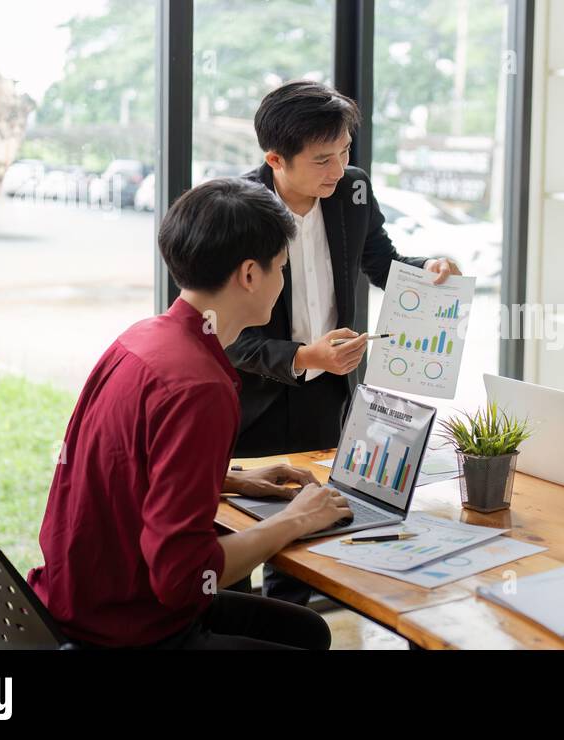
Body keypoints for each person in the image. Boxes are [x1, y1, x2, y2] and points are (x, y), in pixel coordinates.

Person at [27, 178, 353, 649]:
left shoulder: (142, 338)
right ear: (248, 275)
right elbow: (183, 578)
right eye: (281, 269)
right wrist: (295, 520)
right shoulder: (200, 386)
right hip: (129, 628)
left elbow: (128, 467)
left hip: (76, 597)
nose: (282, 283)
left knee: (308, 629)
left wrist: (231, 480)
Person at [228, 79, 459, 603]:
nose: (338, 169)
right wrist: (306, 355)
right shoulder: (237, 208)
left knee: (307, 543)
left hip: (325, 395)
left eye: (345, 152)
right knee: (237, 539)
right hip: (248, 401)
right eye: (322, 160)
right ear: (276, 159)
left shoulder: (351, 190)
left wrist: (428, 269)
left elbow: (381, 260)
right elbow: (222, 336)